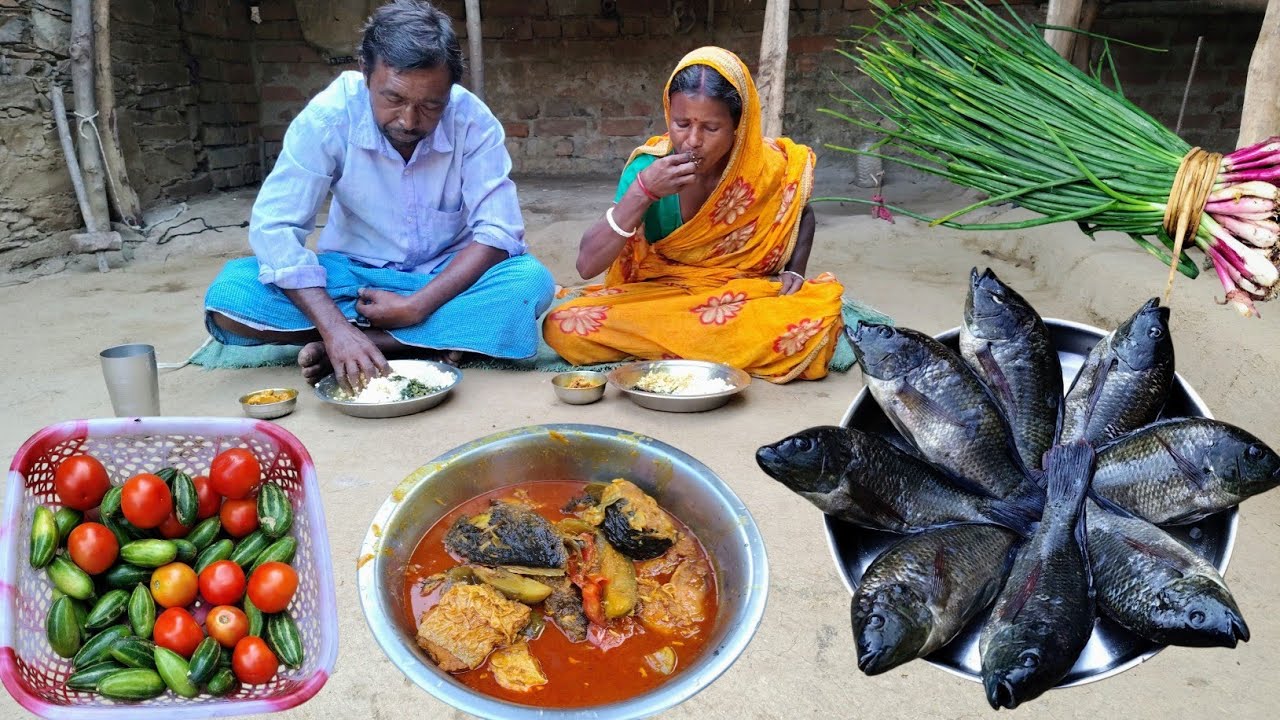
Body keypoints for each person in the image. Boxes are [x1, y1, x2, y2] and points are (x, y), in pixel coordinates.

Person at [204, 0, 553, 392]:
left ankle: (377, 343)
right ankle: (408, 341)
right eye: (394, 99)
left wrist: (416, 306)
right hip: (352, 280)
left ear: (451, 90)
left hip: (443, 279)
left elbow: (500, 232)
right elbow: (275, 229)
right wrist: (334, 327)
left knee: (529, 283)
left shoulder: (473, 122)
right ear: (364, 71)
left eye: (430, 105)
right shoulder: (328, 117)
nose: (409, 120)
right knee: (231, 295)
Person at [541, 47, 845, 383]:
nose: (692, 141)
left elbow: (802, 212)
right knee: (564, 326)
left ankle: (677, 344)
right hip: (661, 295)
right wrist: (644, 192)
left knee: (815, 324)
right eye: (681, 124)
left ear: (737, 129)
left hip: (740, 295)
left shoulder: (763, 167)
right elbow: (587, 266)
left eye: (711, 128)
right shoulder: (648, 168)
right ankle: (708, 344)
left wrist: (797, 272)